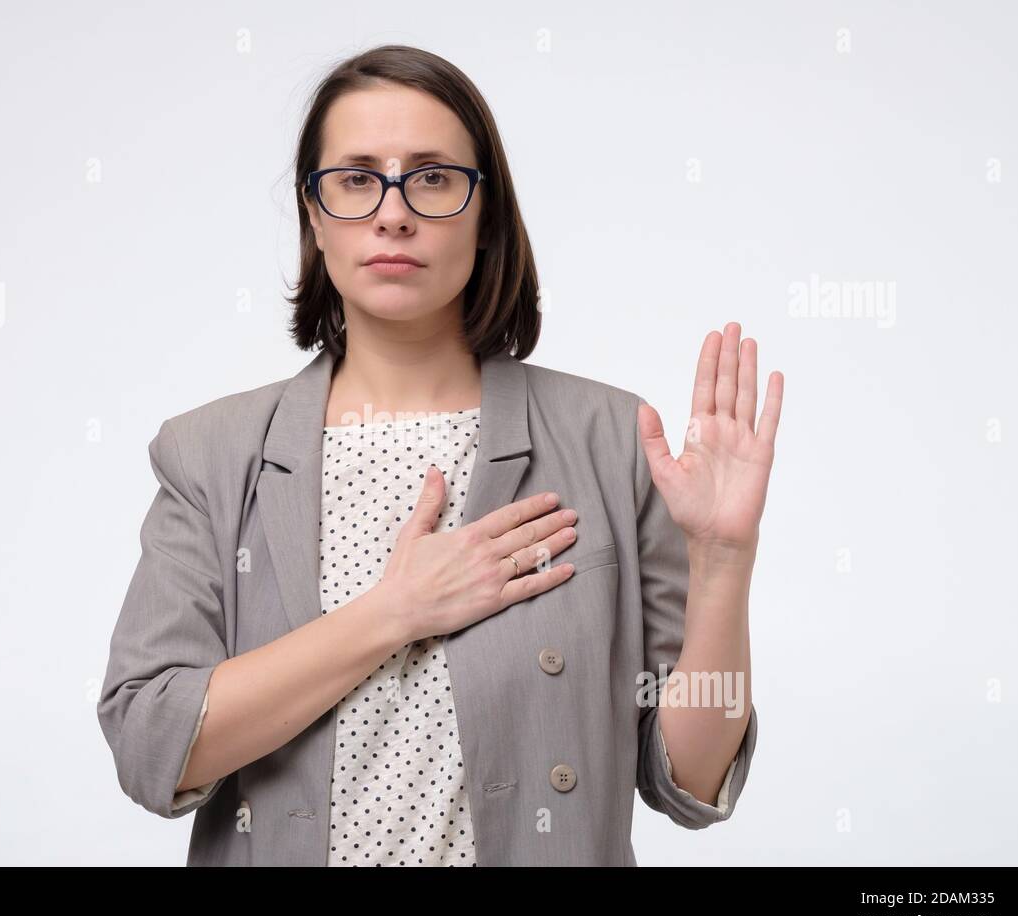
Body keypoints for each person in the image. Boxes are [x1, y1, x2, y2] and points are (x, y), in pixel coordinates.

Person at [97, 44, 783, 866]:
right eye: (355, 179)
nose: (393, 213)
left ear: (486, 213)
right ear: (313, 215)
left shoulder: (610, 438)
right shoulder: (210, 453)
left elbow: (691, 781)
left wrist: (722, 561)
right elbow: (149, 746)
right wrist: (395, 612)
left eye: (431, 176)